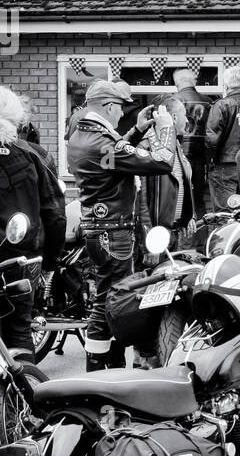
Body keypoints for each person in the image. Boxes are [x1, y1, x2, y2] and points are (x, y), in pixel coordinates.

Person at [68, 80, 176, 370]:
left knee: (104, 300)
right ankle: (103, 372)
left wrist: (138, 130)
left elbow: (114, 155)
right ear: (109, 106)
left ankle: (104, 367)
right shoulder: (101, 142)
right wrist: (166, 127)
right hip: (113, 233)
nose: (121, 115)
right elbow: (162, 161)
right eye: (120, 109)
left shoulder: (83, 135)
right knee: (111, 303)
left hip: (100, 229)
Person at [0, 86, 66, 357]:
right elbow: (55, 215)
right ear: (18, 117)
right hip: (20, 262)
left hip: (20, 259)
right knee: (18, 334)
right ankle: (21, 396)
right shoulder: (32, 155)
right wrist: (50, 264)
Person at [137, 95, 196, 261]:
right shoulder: (145, 148)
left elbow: (182, 182)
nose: (187, 120)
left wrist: (188, 216)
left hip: (172, 233)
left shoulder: (175, 144)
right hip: (156, 239)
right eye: (184, 115)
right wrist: (149, 245)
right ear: (174, 118)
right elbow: (140, 202)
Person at [205, 66, 240, 207]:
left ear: (227, 85)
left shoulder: (221, 105)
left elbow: (211, 138)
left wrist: (210, 162)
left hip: (224, 165)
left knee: (224, 213)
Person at [172, 68, 212, 215]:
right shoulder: (208, 101)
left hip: (179, 154)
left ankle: (181, 234)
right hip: (201, 155)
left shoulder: (173, 100)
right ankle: (200, 234)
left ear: (177, 83)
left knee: (179, 197)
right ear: (193, 81)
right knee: (198, 198)